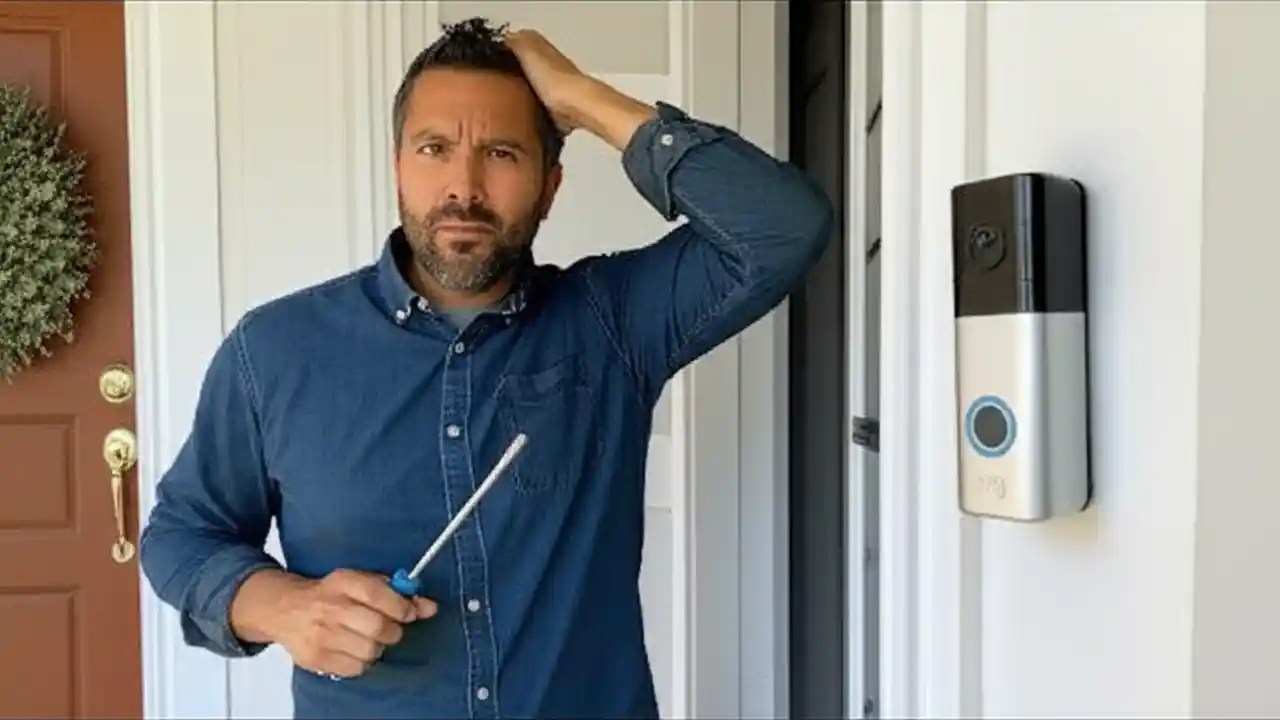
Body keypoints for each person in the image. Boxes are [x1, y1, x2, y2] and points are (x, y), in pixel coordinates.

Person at [139, 17, 832, 720]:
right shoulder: (275, 350)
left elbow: (783, 225)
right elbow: (181, 534)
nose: (462, 188)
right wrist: (283, 606)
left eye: (501, 153)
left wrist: (585, 97)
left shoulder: (612, 322)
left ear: (550, 185)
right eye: (434, 149)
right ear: (398, 165)